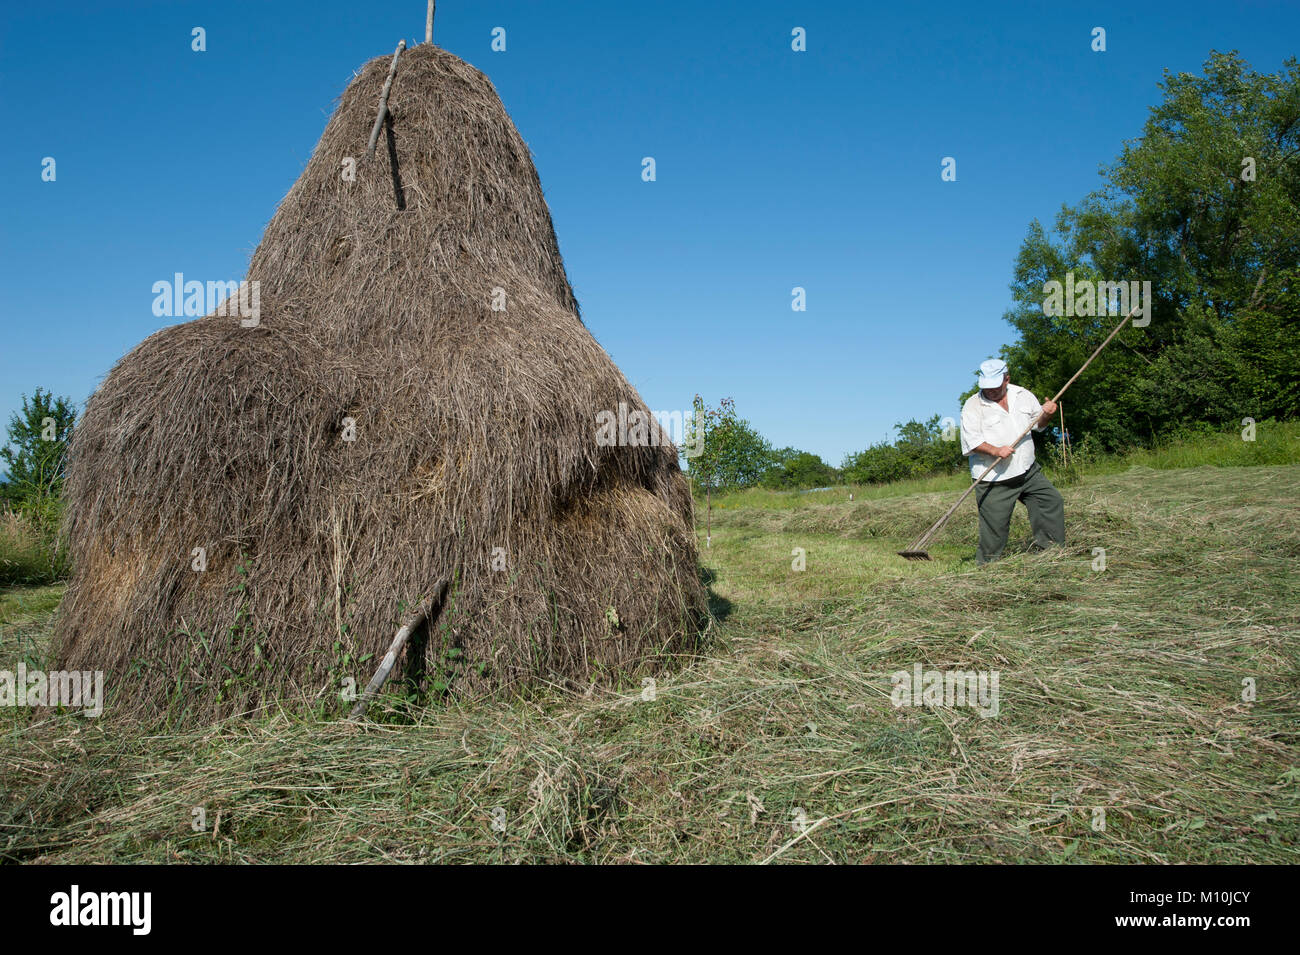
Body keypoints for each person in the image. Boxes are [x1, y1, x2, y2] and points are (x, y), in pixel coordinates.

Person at [959, 359, 1065, 564]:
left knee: (1050, 502)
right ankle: (987, 570)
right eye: (986, 386)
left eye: (995, 386)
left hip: (1027, 470)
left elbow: (1039, 424)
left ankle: (1052, 555)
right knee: (994, 531)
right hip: (994, 478)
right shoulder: (972, 405)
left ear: (1007, 379)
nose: (990, 390)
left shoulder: (1023, 395)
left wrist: (1048, 415)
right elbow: (971, 442)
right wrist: (995, 450)